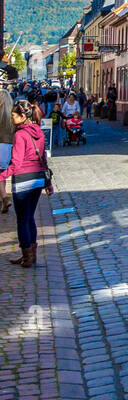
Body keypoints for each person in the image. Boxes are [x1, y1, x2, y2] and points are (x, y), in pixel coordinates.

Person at [1, 100, 51, 268]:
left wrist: (2, 176)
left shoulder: (20, 135)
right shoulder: (39, 132)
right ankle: (31, 254)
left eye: (14, 116)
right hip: (37, 179)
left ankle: (26, 255)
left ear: (23, 116)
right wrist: (48, 182)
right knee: (30, 217)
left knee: (22, 219)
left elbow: (15, 163)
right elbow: (43, 158)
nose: (12, 119)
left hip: (23, 180)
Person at [0, 74, 17, 216]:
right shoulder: (12, 113)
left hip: (0, 145)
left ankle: (5, 198)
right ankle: (4, 197)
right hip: (10, 145)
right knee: (3, 174)